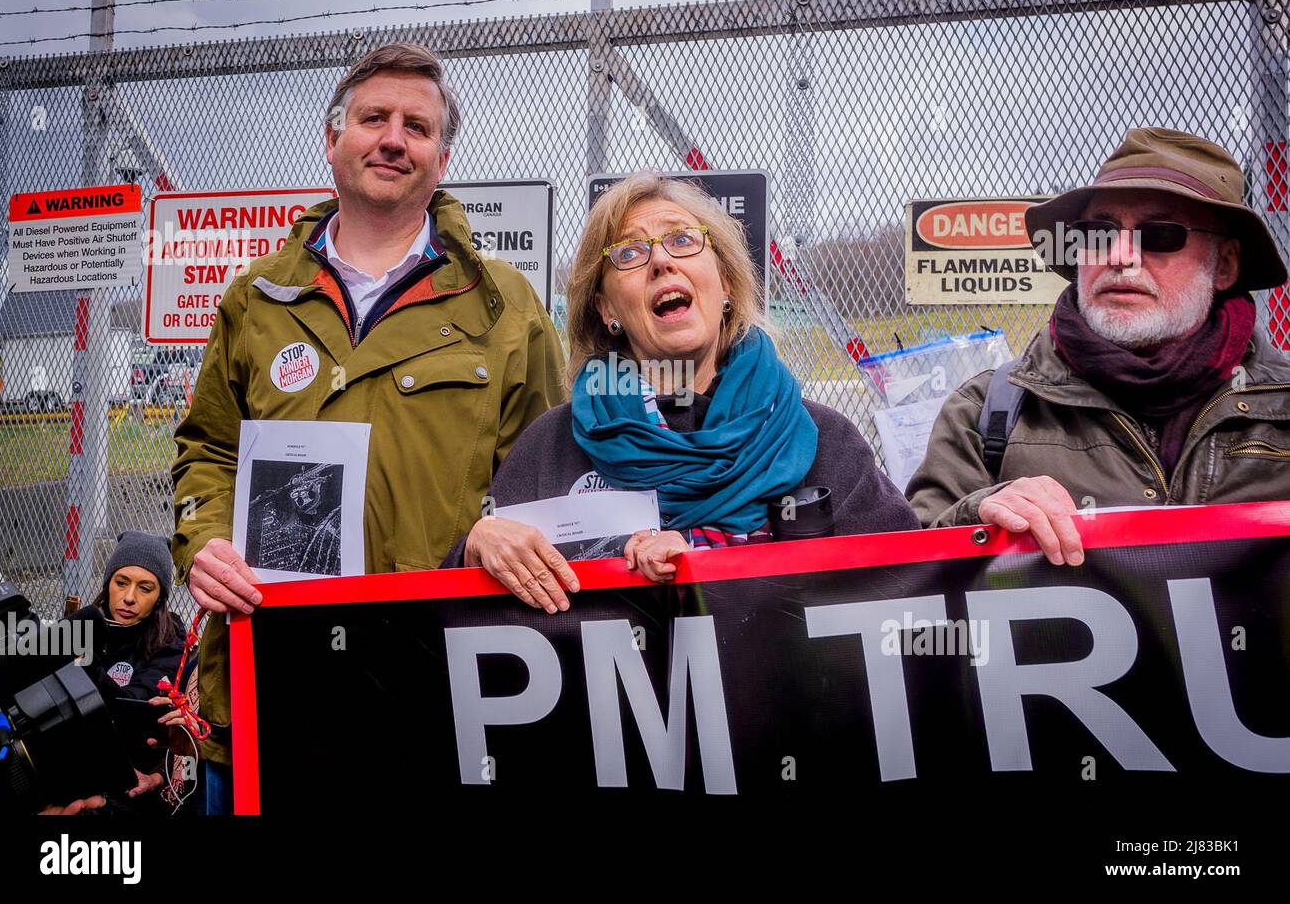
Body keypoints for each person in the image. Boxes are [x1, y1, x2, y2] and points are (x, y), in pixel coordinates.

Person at [171, 42, 566, 809]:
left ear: (441, 157)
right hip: (268, 679)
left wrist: (494, 530)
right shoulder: (255, 298)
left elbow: (549, 477)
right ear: (333, 139)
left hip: (433, 688)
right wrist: (204, 540)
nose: (393, 138)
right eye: (373, 117)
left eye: (417, 127)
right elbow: (208, 448)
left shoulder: (506, 307)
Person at [448, 171, 918, 608]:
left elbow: (910, 589)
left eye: (682, 240)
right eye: (629, 254)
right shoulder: (554, 445)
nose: (661, 262)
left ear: (727, 284)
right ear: (607, 309)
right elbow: (464, 625)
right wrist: (474, 550)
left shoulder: (818, 437)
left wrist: (711, 566)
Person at [906, 127, 1290, 563]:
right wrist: (979, 516)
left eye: (1160, 233)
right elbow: (907, 576)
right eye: (1098, 233)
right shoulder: (987, 410)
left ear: (1224, 265)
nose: (1120, 255)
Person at [84, 530, 186, 806]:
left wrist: (84, 664)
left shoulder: (171, 644)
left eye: (145, 588)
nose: (129, 597)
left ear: (159, 598)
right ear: (107, 585)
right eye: (121, 582)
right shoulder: (85, 627)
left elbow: (131, 706)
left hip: (133, 777)